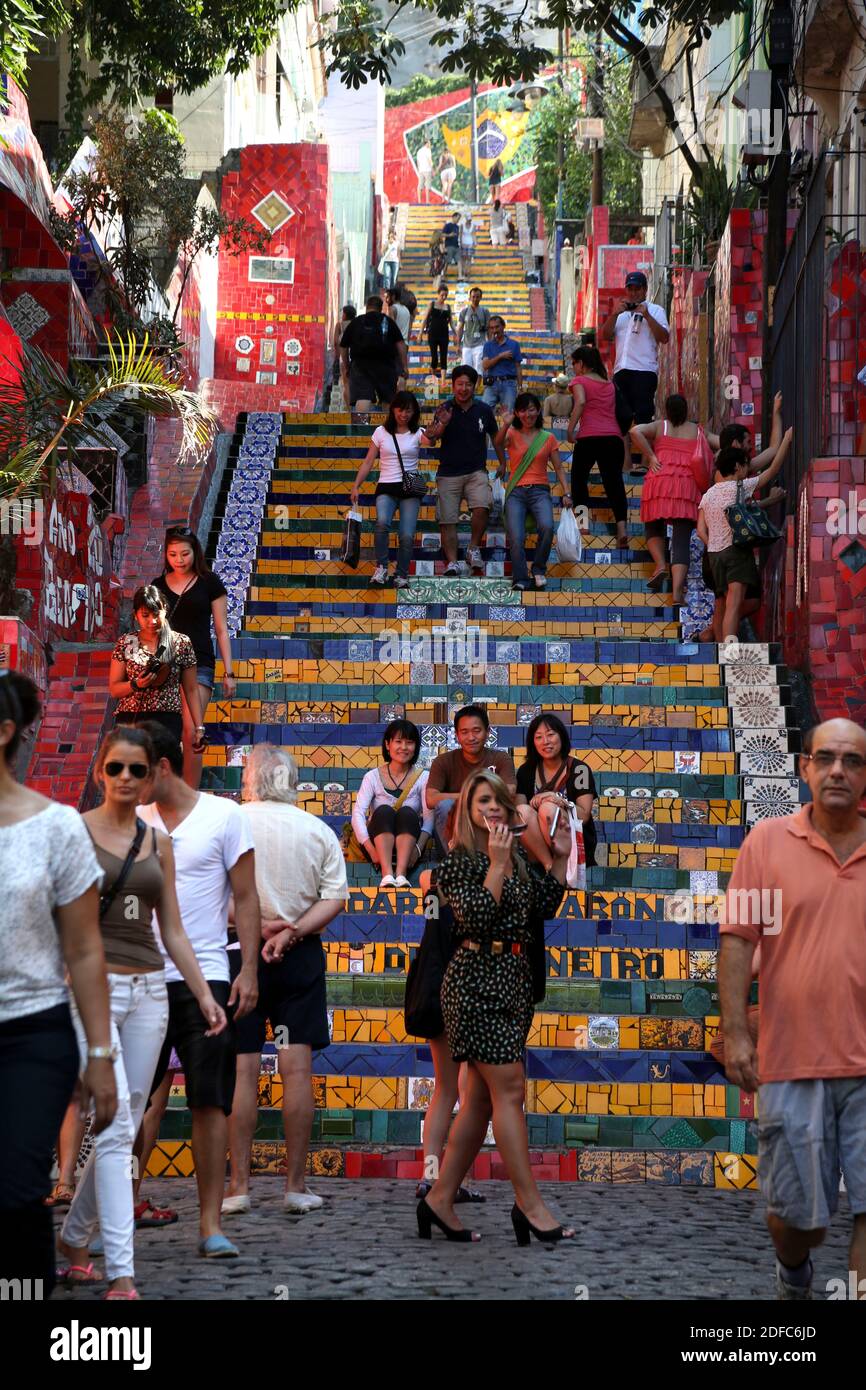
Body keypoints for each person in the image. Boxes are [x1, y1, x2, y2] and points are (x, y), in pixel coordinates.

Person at [57, 727, 227, 1299]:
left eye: (136, 769)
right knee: (113, 1123)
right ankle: (123, 1274)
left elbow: (172, 927)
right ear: (99, 773)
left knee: (122, 1117)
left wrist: (204, 994)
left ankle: (75, 1238)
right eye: (115, 769)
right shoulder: (73, 833)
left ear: (151, 773)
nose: (126, 779)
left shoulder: (159, 844)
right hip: (94, 989)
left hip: (152, 988)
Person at [718, 718, 866, 1300]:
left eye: (852, 761)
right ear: (805, 767)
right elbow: (737, 940)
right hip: (792, 1061)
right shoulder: (767, 843)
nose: (838, 770)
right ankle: (794, 1269)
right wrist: (736, 1034)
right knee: (801, 1221)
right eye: (826, 758)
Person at [418, 769, 575, 1244]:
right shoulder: (456, 865)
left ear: (510, 811)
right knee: (510, 1089)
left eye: (498, 802)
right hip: (473, 982)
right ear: (466, 810)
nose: (490, 808)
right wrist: (496, 863)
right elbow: (477, 918)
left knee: (482, 1103)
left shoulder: (520, 859)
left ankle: (440, 1199)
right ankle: (529, 1204)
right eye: (480, 800)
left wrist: (560, 857)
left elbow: (545, 905)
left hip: (513, 983)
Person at [0, 672, 116, 1298]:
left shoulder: (55, 828)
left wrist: (98, 1054)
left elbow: (84, 946)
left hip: (32, 1032)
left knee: (16, 1188)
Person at [131, 722, 260, 1259]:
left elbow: (247, 897)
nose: (128, 782)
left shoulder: (224, 816)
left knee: (210, 1102)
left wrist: (248, 968)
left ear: (163, 767)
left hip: (206, 972)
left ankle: (210, 1224)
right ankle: (119, 1216)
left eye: (138, 771)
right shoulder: (131, 818)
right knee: (131, 1105)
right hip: (138, 976)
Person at [222, 747, 347, 1217]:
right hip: (298, 957)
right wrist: (292, 929)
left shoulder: (231, 821)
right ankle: (295, 1186)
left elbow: (214, 893)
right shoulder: (315, 829)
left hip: (241, 955)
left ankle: (237, 1187)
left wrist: (260, 927)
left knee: (243, 1071)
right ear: (292, 779)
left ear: (250, 778)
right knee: (297, 1070)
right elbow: (335, 897)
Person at [152, 526, 235, 788]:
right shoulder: (157, 586)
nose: (179, 560)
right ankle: (166, 791)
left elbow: (222, 629)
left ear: (195, 552)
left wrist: (229, 672)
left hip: (199, 663)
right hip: (166, 665)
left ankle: (190, 796)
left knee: (192, 731)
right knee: (165, 733)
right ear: (166, 555)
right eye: (173, 554)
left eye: (185, 553)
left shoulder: (210, 582)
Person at [424, 704, 551, 868]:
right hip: (456, 835)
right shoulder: (443, 761)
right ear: (456, 735)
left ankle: (505, 862)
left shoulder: (500, 758)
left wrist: (476, 800)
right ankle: (458, 865)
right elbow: (431, 798)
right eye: (464, 732)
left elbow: (509, 791)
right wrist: (476, 798)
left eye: (477, 730)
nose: (471, 737)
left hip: (493, 832)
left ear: (488, 732)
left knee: (513, 805)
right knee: (445, 805)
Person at [696, 433, 790, 640]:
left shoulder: (708, 494)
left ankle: (721, 655)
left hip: (714, 556)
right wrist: (786, 441)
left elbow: (700, 530)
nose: (748, 471)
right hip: (736, 553)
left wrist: (713, 544)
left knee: (723, 604)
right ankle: (730, 657)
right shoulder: (740, 487)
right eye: (746, 466)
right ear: (737, 467)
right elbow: (772, 470)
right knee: (733, 605)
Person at [629, 394, 715, 603]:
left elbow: (634, 431)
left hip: (659, 481)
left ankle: (659, 565)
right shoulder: (697, 431)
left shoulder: (660, 426)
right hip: (686, 487)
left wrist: (650, 456)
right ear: (686, 411)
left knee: (653, 527)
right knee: (681, 539)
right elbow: (722, 443)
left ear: (666, 410)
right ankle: (677, 592)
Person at [423, 364, 505, 576]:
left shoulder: (484, 410)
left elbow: (496, 439)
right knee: (447, 519)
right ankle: (452, 563)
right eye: (460, 384)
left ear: (474, 387)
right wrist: (442, 424)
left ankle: (473, 548)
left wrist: (503, 462)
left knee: (483, 505)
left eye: (468, 384)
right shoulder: (444, 409)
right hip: (448, 473)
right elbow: (432, 439)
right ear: (453, 386)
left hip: (476, 471)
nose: (464, 388)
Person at [110, 584, 205, 751]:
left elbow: (190, 689)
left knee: (163, 769)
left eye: (156, 614)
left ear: (165, 609)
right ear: (136, 616)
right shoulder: (127, 642)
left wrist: (199, 727)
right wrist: (136, 684)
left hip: (167, 720)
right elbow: (115, 689)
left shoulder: (181, 643)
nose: (152, 621)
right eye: (145, 615)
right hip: (131, 720)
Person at [350, 391, 430, 589]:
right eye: (401, 410)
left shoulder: (418, 432)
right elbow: (368, 461)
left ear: (414, 412)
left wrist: (438, 426)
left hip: (410, 488)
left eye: (409, 411)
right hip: (386, 486)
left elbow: (433, 441)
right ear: (393, 409)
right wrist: (356, 485)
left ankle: (401, 574)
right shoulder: (380, 432)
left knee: (406, 534)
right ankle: (382, 568)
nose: (404, 414)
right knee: (382, 523)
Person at [494, 393, 572, 591]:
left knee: (547, 527)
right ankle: (520, 577)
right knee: (516, 536)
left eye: (531, 409)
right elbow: (496, 443)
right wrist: (505, 424)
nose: (527, 414)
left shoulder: (548, 437)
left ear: (538, 411)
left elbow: (559, 468)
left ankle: (538, 570)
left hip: (539, 491)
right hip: (516, 492)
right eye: (522, 410)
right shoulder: (511, 434)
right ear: (517, 413)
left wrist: (567, 492)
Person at [600, 270, 670, 475]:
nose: (633, 293)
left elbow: (664, 337)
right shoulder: (620, 314)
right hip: (621, 370)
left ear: (645, 290)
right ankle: (626, 462)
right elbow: (605, 335)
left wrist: (646, 314)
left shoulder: (655, 310)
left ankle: (647, 462)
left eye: (637, 288)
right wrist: (614, 313)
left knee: (643, 416)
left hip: (644, 370)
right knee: (620, 417)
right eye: (630, 288)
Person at [352, 720, 432, 887]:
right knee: (383, 811)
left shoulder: (423, 778)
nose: (404, 747)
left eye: (409, 742)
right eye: (398, 741)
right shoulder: (372, 777)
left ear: (416, 747)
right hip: (377, 844)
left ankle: (401, 875)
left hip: (410, 844)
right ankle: (387, 874)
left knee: (408, 813)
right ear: (388, 745)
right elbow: (358, 814)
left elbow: (429, 819)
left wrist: (417, 850)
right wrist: (371, 849)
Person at [515, 713, 597, 868]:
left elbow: (584, 815)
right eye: (538, 737)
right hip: (536, 846)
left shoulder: (579, 769)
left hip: (573, 843)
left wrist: (558, 799)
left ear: (562, 736)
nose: (545, 741)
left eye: (550, 735)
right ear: (533, 742)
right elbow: (519, 813)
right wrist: (537, 802)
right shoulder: (526, 771)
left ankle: (561, 866)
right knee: (522, 811)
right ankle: (549, 866)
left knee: (548, 808)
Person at [567, 345, 628, 548]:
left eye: (574, 363)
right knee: (614, 484)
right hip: (613, 438)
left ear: (582, 363)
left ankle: (583, 525)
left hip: (589, 437)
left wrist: (570, 429)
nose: (573, 367)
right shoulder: (610, 384)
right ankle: (622, 529)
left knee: (578, 480)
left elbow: (581, 402)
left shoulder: (579, 381)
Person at [339, 294, 408, 410]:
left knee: (363, 397)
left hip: (360, 365)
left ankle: (362, 426)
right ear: (381, 308)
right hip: (385, 364)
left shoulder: (356, 322)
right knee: (387, 398)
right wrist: (404, 366)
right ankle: (386, 427)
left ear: (367, 307)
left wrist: (347, 367)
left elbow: (343, 346)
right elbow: (400, 344)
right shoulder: (388, 321)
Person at [481, 315, 523, 417]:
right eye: (491, 328)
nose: (494, 330)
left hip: (509, 383)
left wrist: (520, 386)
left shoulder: (514, 345)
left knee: (508, 415)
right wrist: (500, 356)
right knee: (483, 411)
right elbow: (485, 365)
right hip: (491, 383)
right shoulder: (487, 345)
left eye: (497, 327)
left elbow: (518, 367)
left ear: (503, 326)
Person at [421, 284, 455, 378]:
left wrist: (456, 333)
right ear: (438, 294)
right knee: (434, 358)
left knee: (444, 357)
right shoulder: (432, 304)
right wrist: (420, 333)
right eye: (442, 295)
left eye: (446, 295)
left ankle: (443, 381)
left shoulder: (447, 307)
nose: (444, 297)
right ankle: (433, 378)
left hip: (444, 335)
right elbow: (425, 319)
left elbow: (451, 322)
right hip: (433, 334)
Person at [457, 287, 490, 375]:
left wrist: (490, 344)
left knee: (479, 369)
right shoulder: (464, 311)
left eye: (477, 297)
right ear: (470, 298)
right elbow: (460, 328)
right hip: (466, 344)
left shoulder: (485, 311)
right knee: (466, 369)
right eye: (473, 296)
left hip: (480, 343)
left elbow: (489, 330)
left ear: (481, 297)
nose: (475, 299)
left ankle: (477, 387)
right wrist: (458, 344)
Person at [459, 212, 476, 279]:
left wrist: (475, 242)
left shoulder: (473, 225)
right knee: (463, 258)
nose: (469, 220)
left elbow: (474, 234)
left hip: (470, 243)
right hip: (463, 242)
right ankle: (463, 271)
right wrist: (460, 242)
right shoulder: (462, 225)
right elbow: (460, 234)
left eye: (470, 219)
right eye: (468, 219)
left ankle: (468, 272)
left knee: (469, 258)